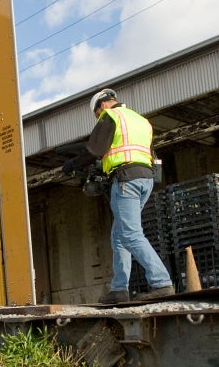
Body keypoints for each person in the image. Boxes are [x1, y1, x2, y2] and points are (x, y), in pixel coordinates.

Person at [63, 88, 175, 303]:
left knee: (131, 235)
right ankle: (119, 289)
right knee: (120, 235)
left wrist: (72, 165)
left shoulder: (110, 116)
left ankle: (161, 282)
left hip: (126, 180)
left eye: (96, 114)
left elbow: (94, 150)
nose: (97, 118)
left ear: (102, 105)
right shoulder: (141, 120)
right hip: (146, 179)